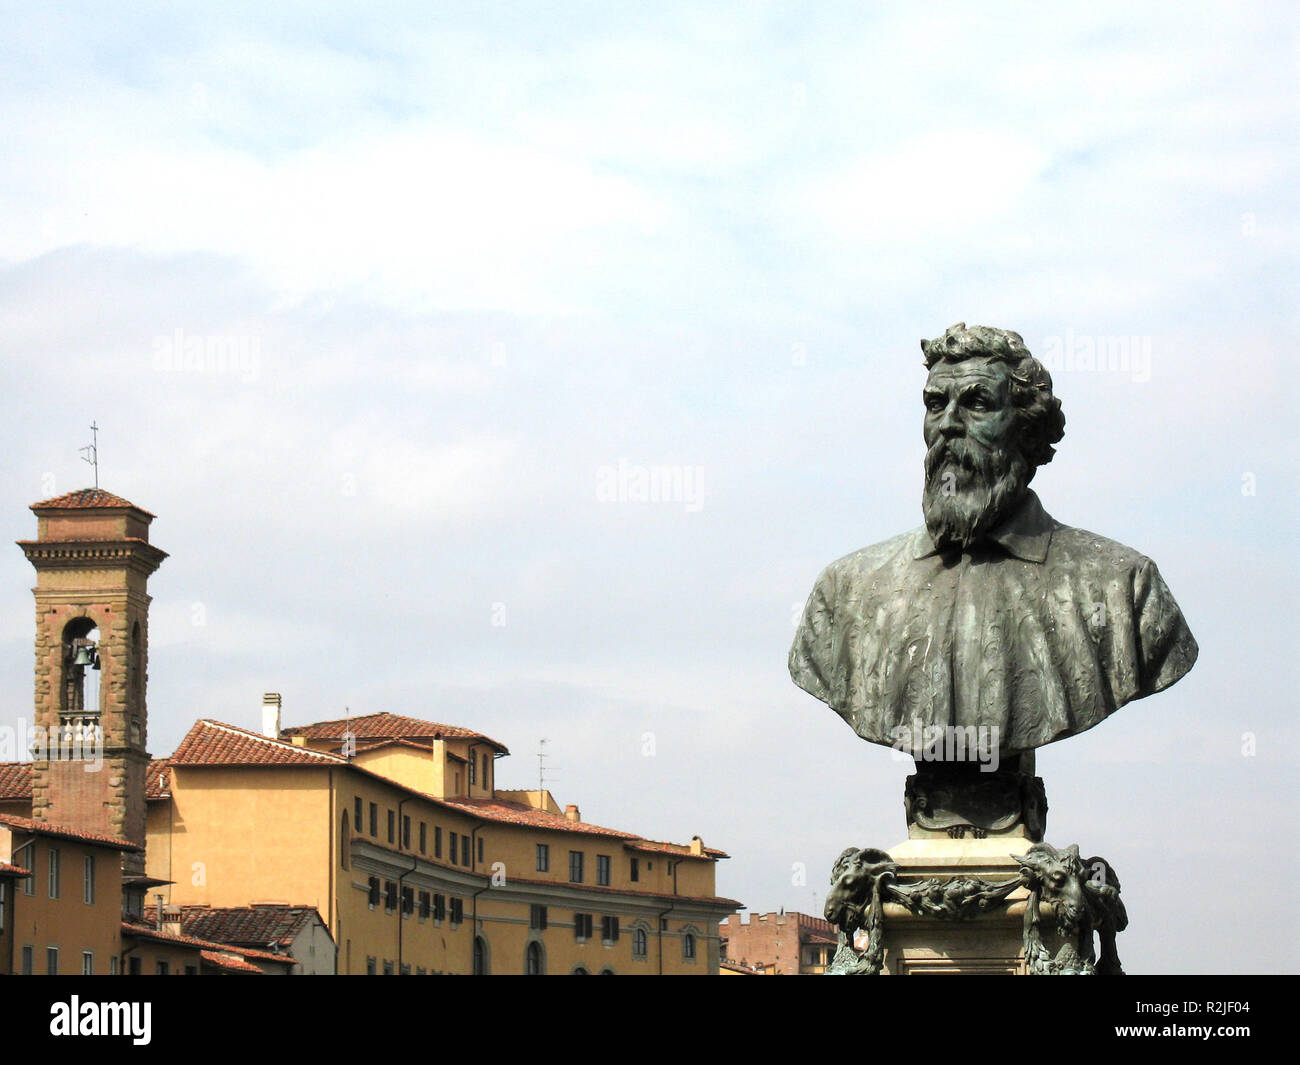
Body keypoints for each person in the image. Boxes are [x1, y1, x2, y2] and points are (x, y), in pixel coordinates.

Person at [789, 323, 1198, 758]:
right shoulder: (847, 590)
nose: (948, 424)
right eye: (935, 405)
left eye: (977, 403)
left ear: (1027, 428)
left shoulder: (1122, 588)